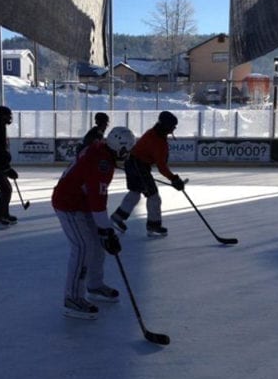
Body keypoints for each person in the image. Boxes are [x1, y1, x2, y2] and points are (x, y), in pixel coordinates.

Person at [52, 126, 136, 319]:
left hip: (83, 202)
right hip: (69, 204)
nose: (127, 154)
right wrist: (108, 231)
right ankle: (72, 299)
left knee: (97, 245)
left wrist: (105, 233)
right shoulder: (102, 164)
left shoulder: (100, 149)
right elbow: (98, 204)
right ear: (118, 148)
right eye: (126, 150)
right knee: (82, 247)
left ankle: (95, 285)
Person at [110, 110, 185, 237]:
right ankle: (153, 225)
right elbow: (161, 167)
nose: (174, 129)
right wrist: (174, 179)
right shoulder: (158, 142)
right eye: (172, 126)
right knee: (153, 196)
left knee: (135, 193)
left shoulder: (154, 133)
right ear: (166, 126)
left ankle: (117, 218)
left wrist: (173, 179)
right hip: (139, 166)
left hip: (132, 163)